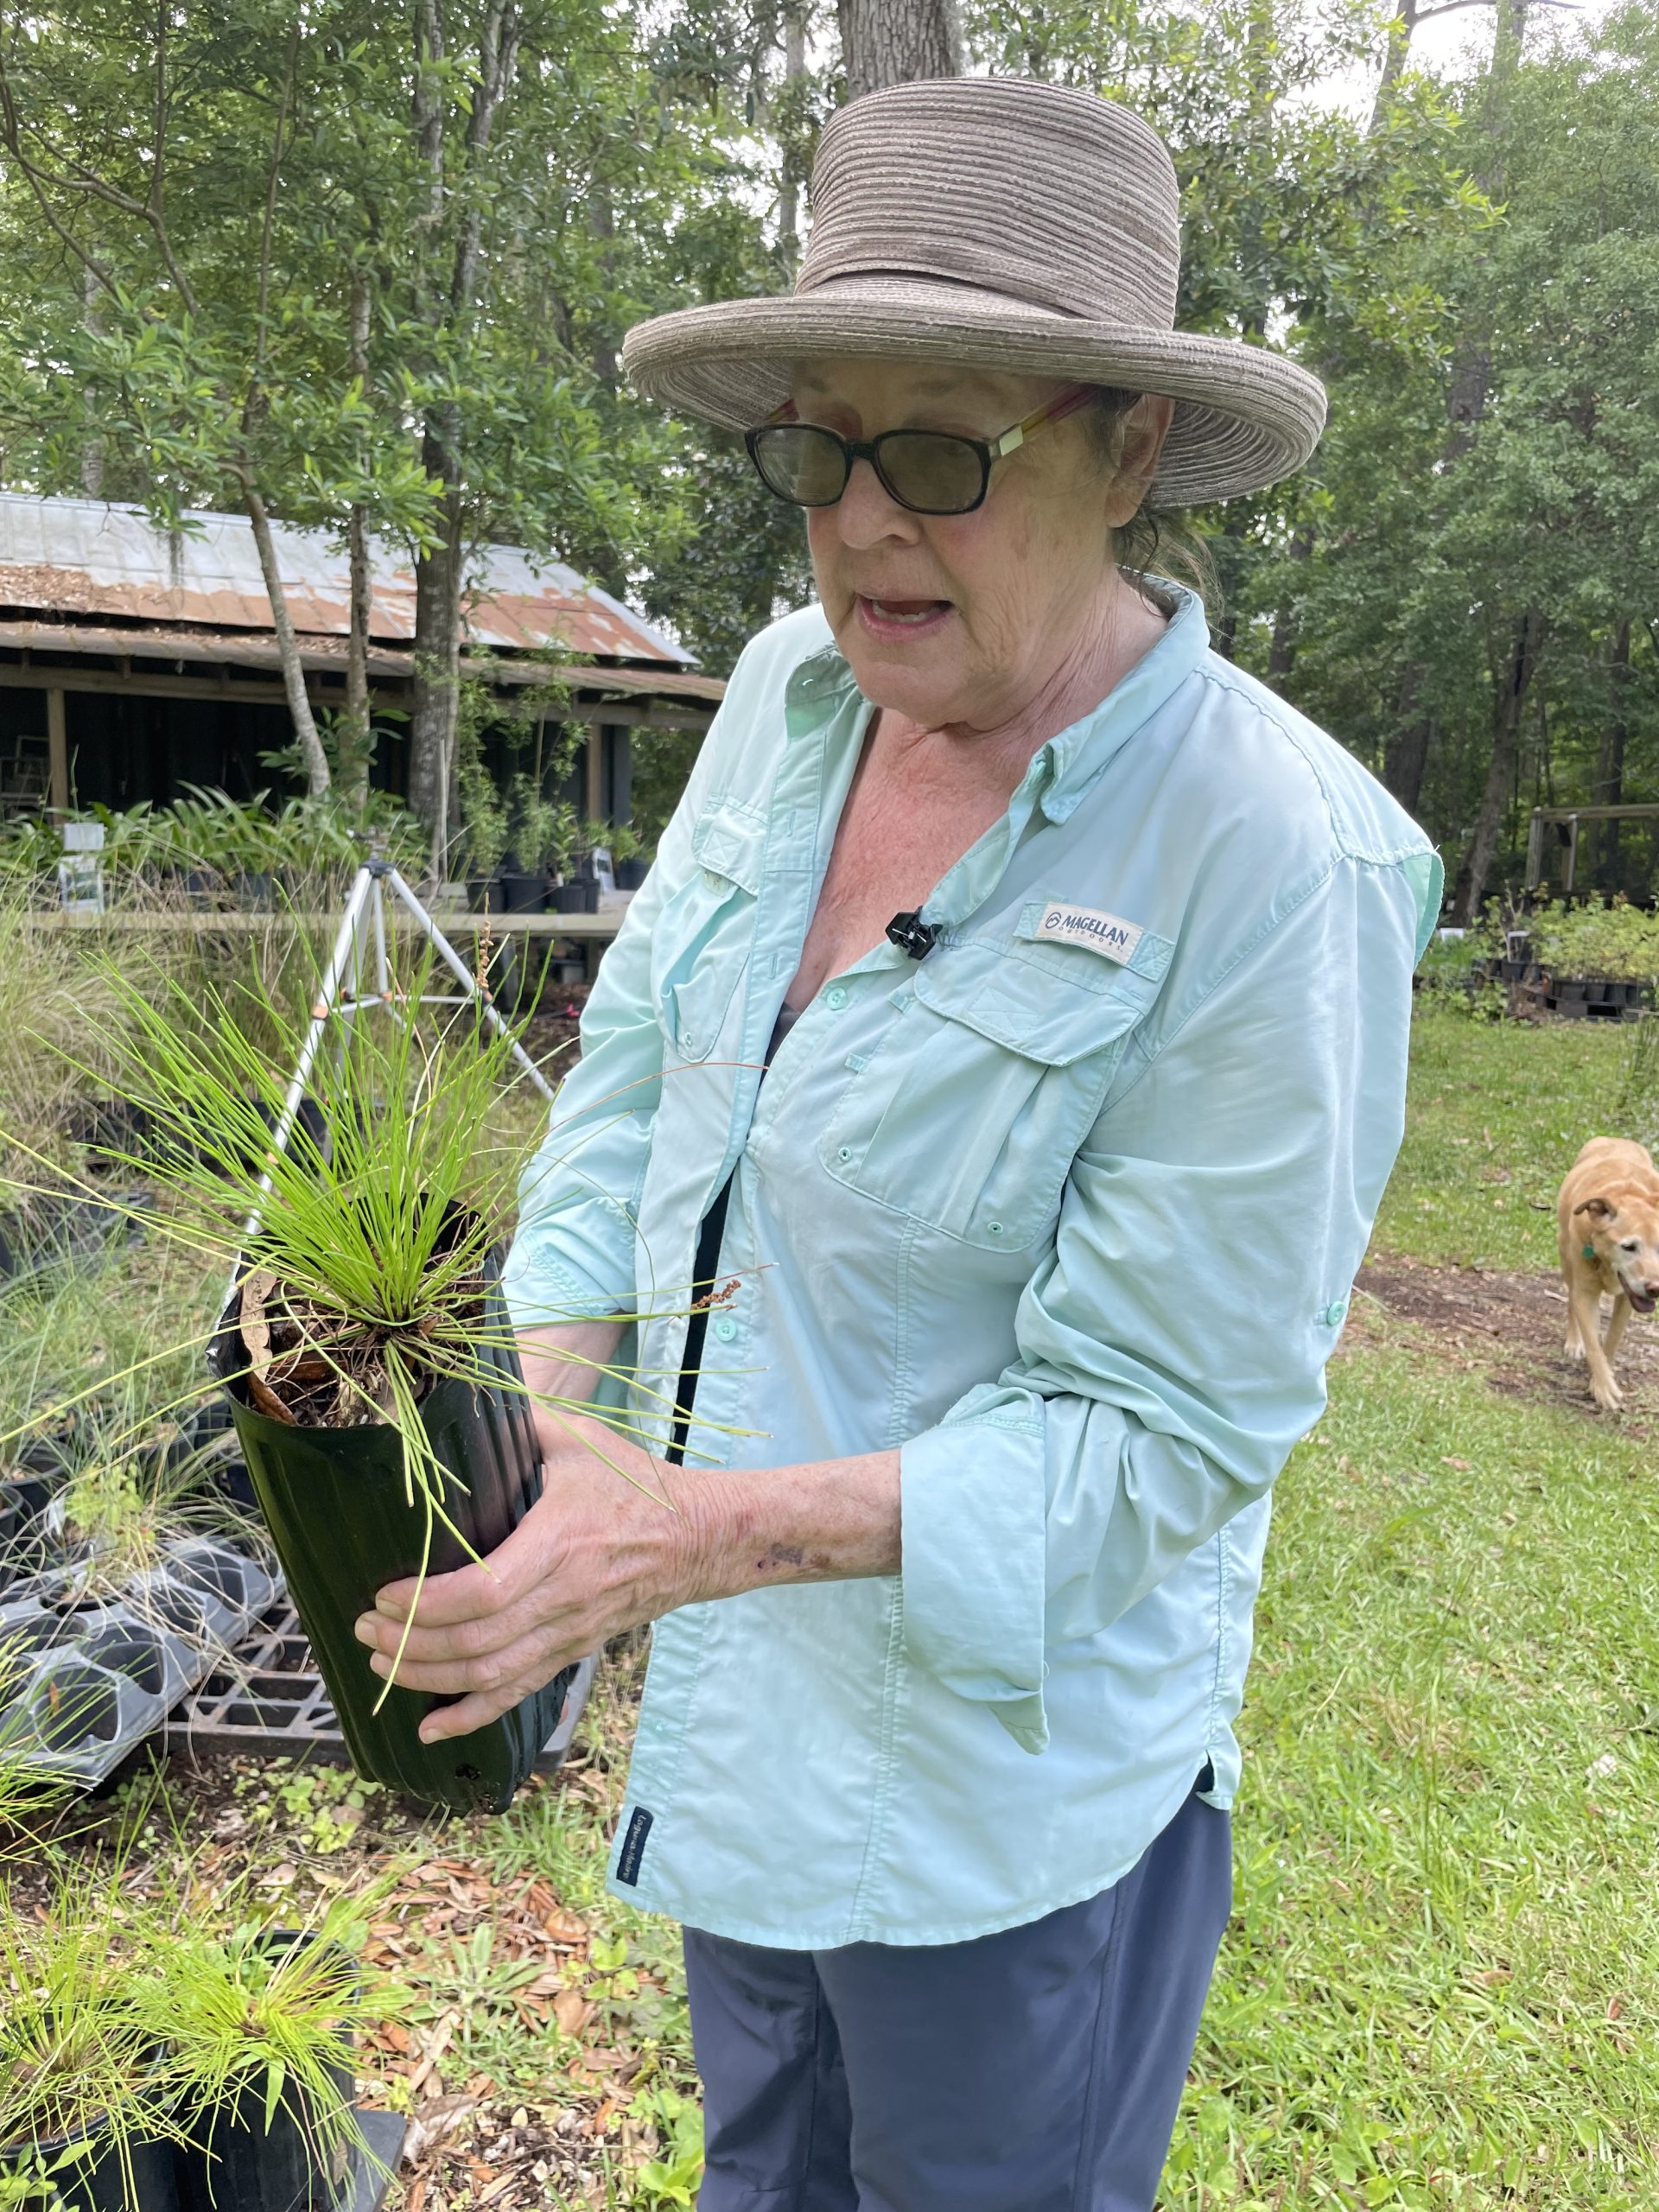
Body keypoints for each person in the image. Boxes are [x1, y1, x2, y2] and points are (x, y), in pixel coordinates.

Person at [353, 77, 1443, 2210]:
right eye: (818, 447)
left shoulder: (1270, 861)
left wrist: (677, 1534)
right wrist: (541, 1418)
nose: (858, 524)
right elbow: (646, 1060)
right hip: (745, 1733)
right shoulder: (786, 693)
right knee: (770, 2178)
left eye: (940, 447)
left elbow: (1159, 1435)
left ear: (1129, 449)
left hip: (996, 1815)